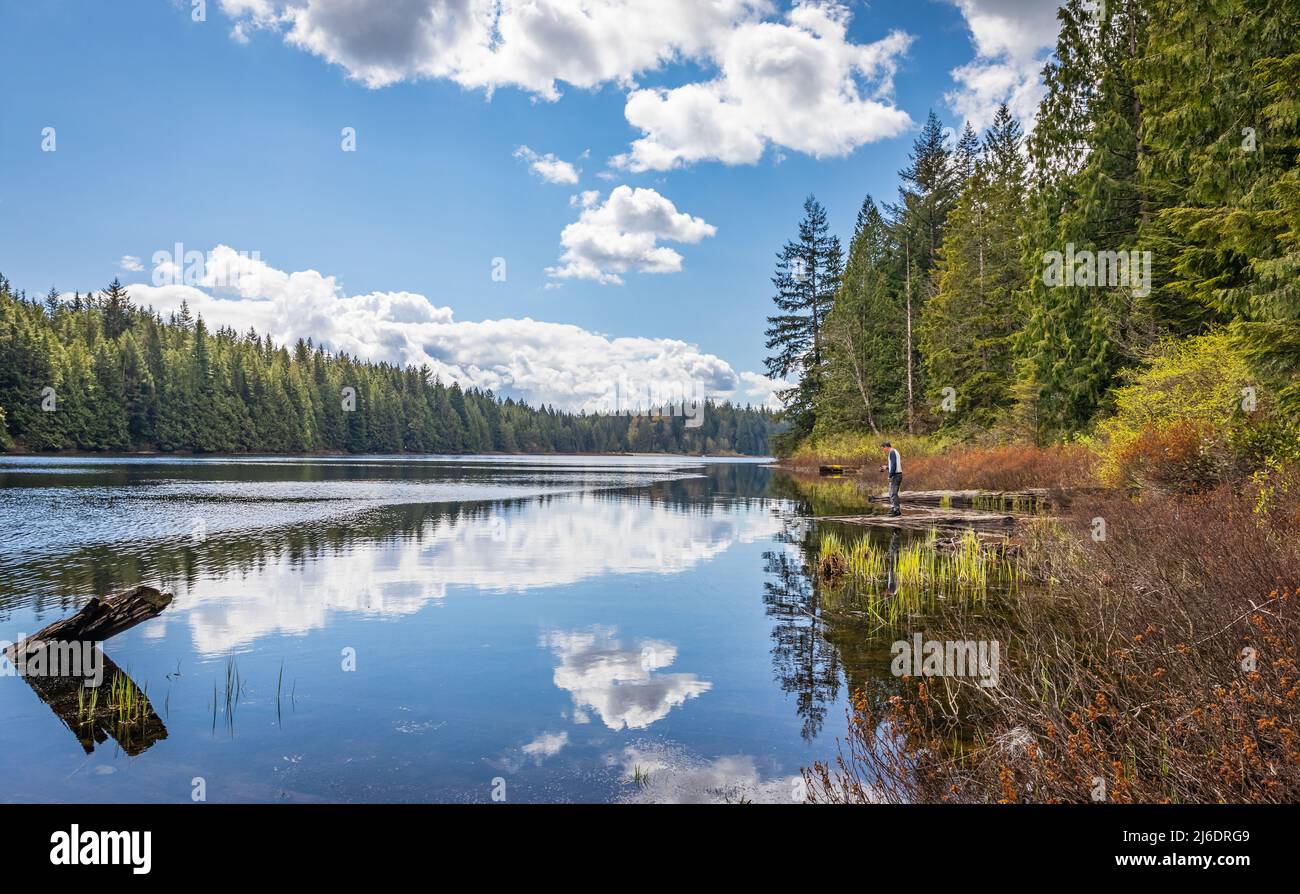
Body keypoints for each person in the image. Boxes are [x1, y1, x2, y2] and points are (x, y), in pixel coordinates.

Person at [879, 441, 902, 516]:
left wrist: (890, 475)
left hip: (895, 475)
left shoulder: (892, 452)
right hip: (896, 474)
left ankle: (897, 511)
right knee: (891, 492)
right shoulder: (894, 452)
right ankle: (894, 508)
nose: (883, 450)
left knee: (893, 493)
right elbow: (894, 466)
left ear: (886, 447)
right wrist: (886, 468)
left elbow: (894, 465)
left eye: (883, 448)